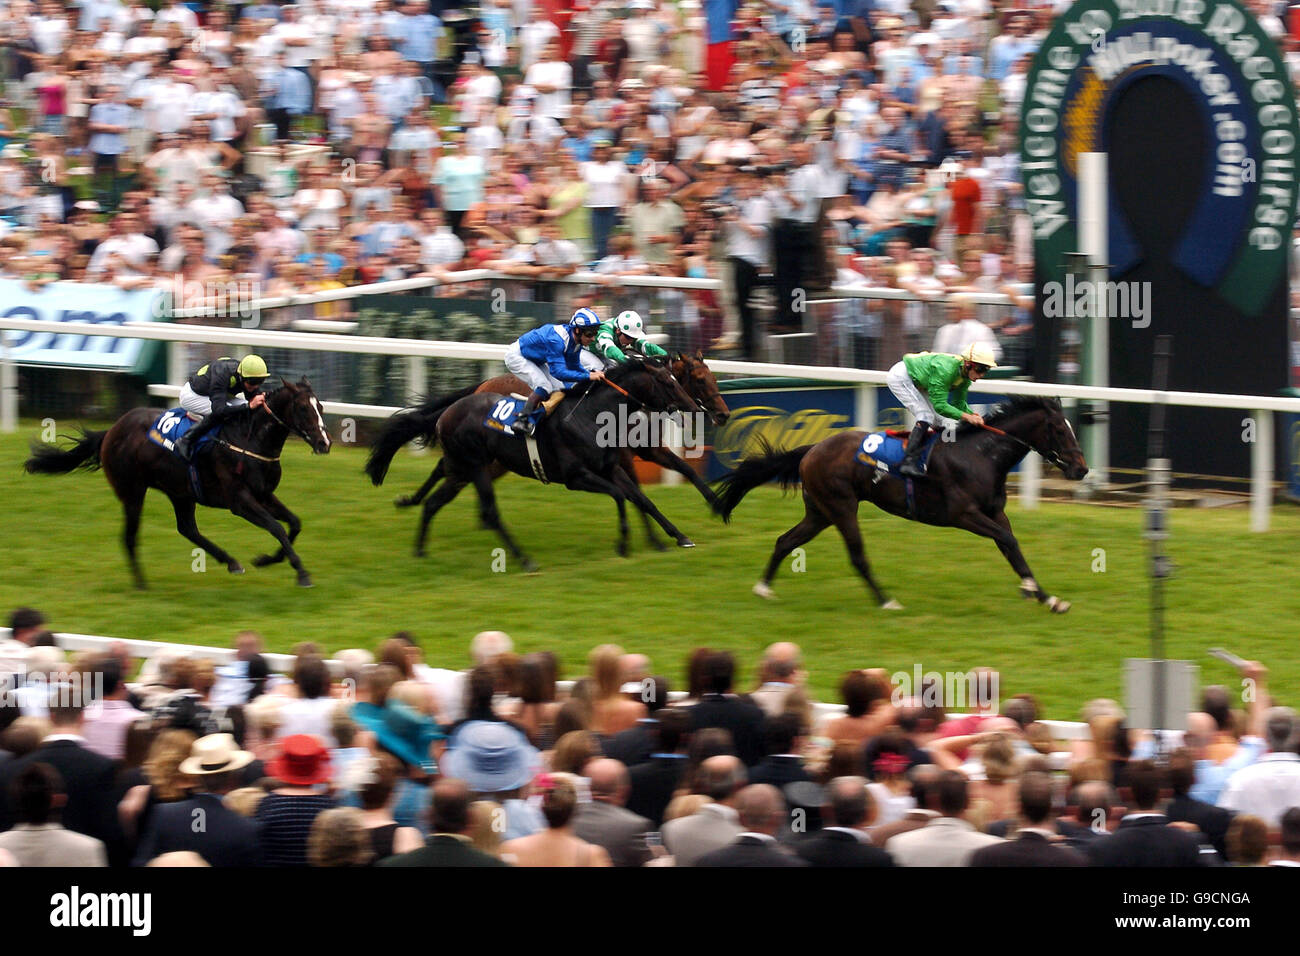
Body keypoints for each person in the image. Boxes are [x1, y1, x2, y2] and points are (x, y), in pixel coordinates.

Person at [886, 343, 997, 478]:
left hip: (920, 382)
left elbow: (958, 403)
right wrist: (968, 418)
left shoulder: (965, 377)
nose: (981, 374)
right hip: (902, 377)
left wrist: (972, 415)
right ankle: (908, 461)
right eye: (980, 369)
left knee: (943, 422)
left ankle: (941, 459)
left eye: (986, 370)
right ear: (968, 364)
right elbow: (940, 406)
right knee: (925, 416)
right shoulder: (946, 370)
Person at [505, 308, 605, 437]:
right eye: (590, 334)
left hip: (536, 358)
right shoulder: (556, 341)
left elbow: (574, 366)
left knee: (560, 388)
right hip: (518, 356)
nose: (593, 338)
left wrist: (594, 373)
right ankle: (521, 421)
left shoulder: (576, 342)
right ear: (577, 330)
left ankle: (544, 421)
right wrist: (588, 375)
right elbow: (559, 373)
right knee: (544, 386)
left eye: (595, 333)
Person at [173, 354, 271, 461]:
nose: (256, 386)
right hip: (193, 395)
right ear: (241, 376)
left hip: (215, 394)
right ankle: (185, 440)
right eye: (252, 382)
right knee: (228, 412)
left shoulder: (245, 375)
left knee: (245, 407)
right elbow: (219, 410)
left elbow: (252, 398)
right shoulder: (222, 374)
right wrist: (248, 406)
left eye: (260, 381)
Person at [588, 310, 669, 369]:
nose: (630, 341)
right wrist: (628, 361)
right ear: (618, 330)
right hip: (585, 352)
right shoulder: (605, 329)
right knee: (599, 367)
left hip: (601, 355)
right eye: (628, 337)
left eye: (633, 338)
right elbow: (610, 349)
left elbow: (645, 346)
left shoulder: (627, 331)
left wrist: (665, 356)